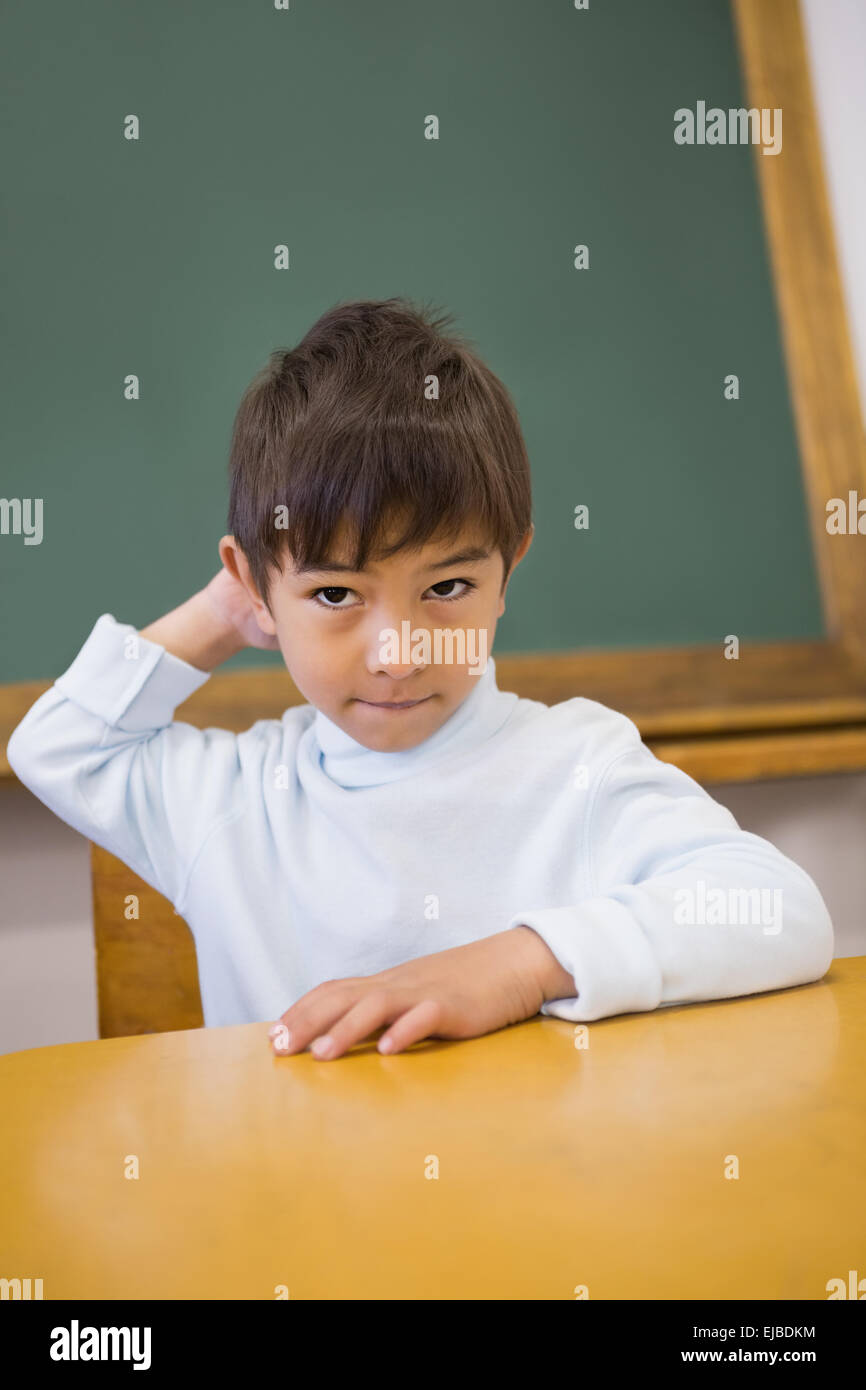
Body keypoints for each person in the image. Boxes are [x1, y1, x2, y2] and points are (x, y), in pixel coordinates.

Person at [6, 297, 834, 1059]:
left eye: (446, 588)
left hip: (531, 1191)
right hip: (291, 1205)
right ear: (256, 586)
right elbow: (58, 748)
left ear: (508, 574)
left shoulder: (576, 764)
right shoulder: (236, 798)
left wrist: (515, 965)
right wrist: (223, 614)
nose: (398, 653)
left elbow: (780, 911)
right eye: (334, 594)